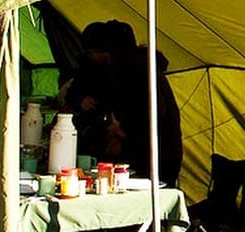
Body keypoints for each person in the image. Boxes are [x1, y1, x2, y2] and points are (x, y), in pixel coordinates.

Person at [64, 20, 183, 186]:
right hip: (151, 153)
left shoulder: (137, 70)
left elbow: (150, 115)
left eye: (93, 52)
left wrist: (122, 136)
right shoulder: (115, 68)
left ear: (105, 52)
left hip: (154, 156)